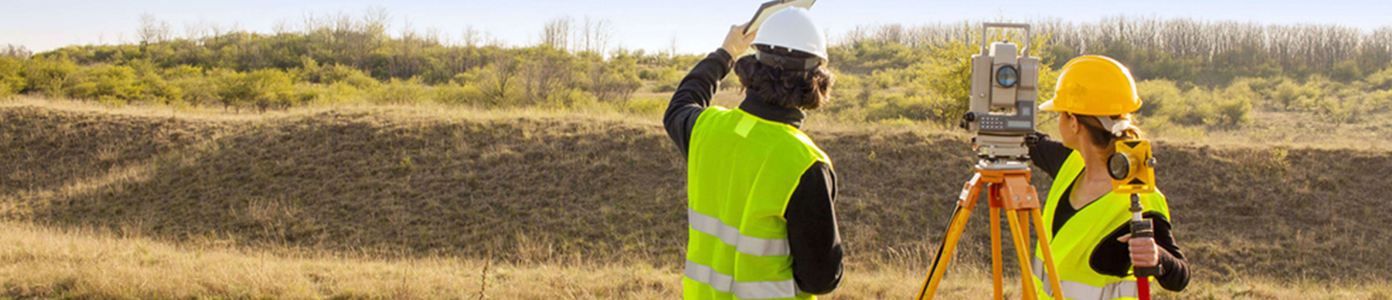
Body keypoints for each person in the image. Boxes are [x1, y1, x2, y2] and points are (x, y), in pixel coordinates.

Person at [662, 8, 841, 300]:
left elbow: (681, 104)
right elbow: (820, 278)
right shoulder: (806, 164)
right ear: (817, 80)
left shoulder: (707, 130)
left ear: (752, 70)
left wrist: (726, 51)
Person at [1028, 55, 1191, 299]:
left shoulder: (1141, 196)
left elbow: (1180, 277)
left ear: (1073, 122)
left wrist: (1157, 256)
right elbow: (1034, 142)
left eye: (1059, 113)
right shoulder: (1069, 163)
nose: (1057, 121)